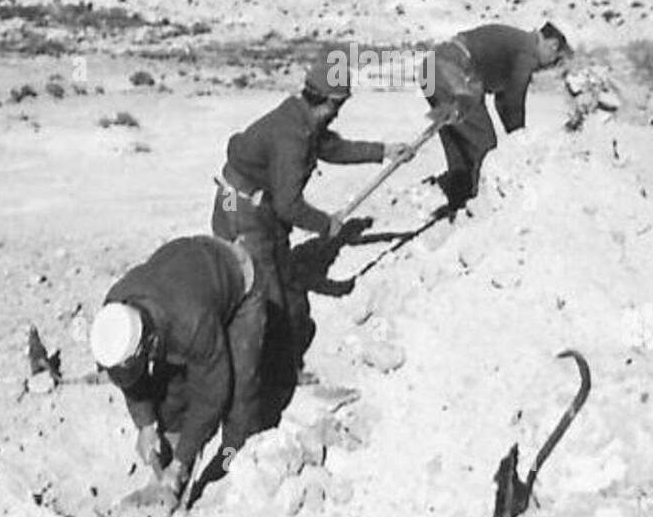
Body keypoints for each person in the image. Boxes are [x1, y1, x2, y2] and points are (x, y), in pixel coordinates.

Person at [211, 48, 410, 386]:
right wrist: (325, 224)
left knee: (262, 278)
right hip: (240, 208)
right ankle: (275, 377)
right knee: (265, 295)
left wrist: (383, 151)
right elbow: (289, 205)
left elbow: (333, 149)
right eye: (339, 106)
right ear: (329, 103)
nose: (337, 113)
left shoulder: (300, 117)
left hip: (235, 198)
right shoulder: (293, 136)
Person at [90, 234, 264, 514]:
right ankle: (165, 477)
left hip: (239, 278)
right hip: (185, 274)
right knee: (169, 391)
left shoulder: (192, 324)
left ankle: (227, 464)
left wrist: (182, 461)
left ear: (148, 342)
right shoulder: (117, 311)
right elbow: (130, 378)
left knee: (239, 397)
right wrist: (146, 424)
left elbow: (211, 396)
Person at [422, 22, 571, 209]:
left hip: (431, 67)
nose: (548, 64)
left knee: (457, 135)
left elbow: (502, 101)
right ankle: (481, 206)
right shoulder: (528, 50)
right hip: (450, 69)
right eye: (554, 59)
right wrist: (519, 138)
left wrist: (514, 132)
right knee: (484, 143)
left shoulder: (518, 42)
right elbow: (513, 100)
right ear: (552, 45)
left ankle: (460, 194)